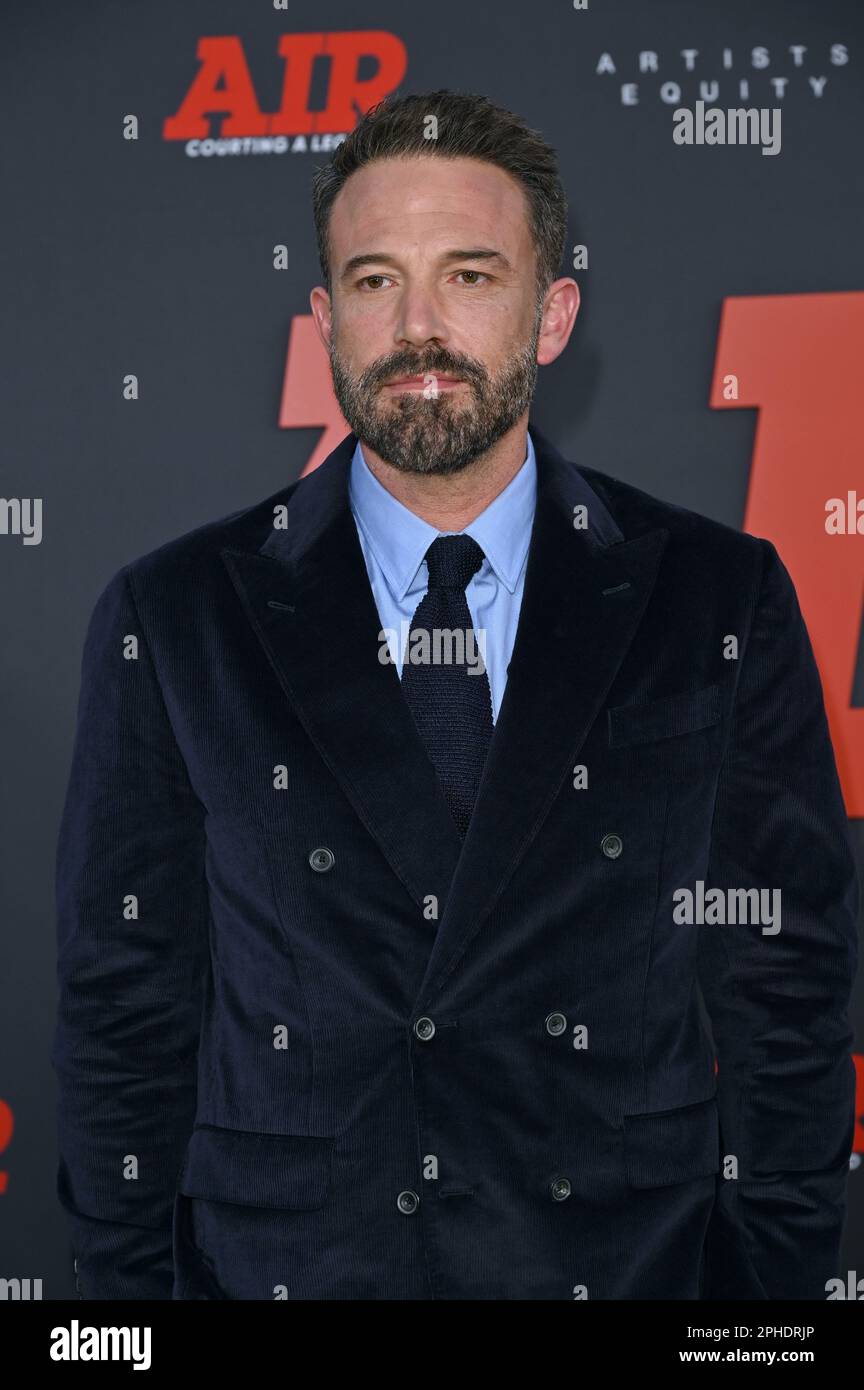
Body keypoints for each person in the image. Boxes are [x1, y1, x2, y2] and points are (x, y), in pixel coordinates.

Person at [52, 89, 859, 1301]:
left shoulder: (714, 598)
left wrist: (765, 1313)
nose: (417, 328)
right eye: (376, 281)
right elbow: (126, 1010)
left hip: (622, 1272)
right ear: (325, 318)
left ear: (552, 314)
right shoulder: (175, 619)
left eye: (471, 275)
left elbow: (783, 980)